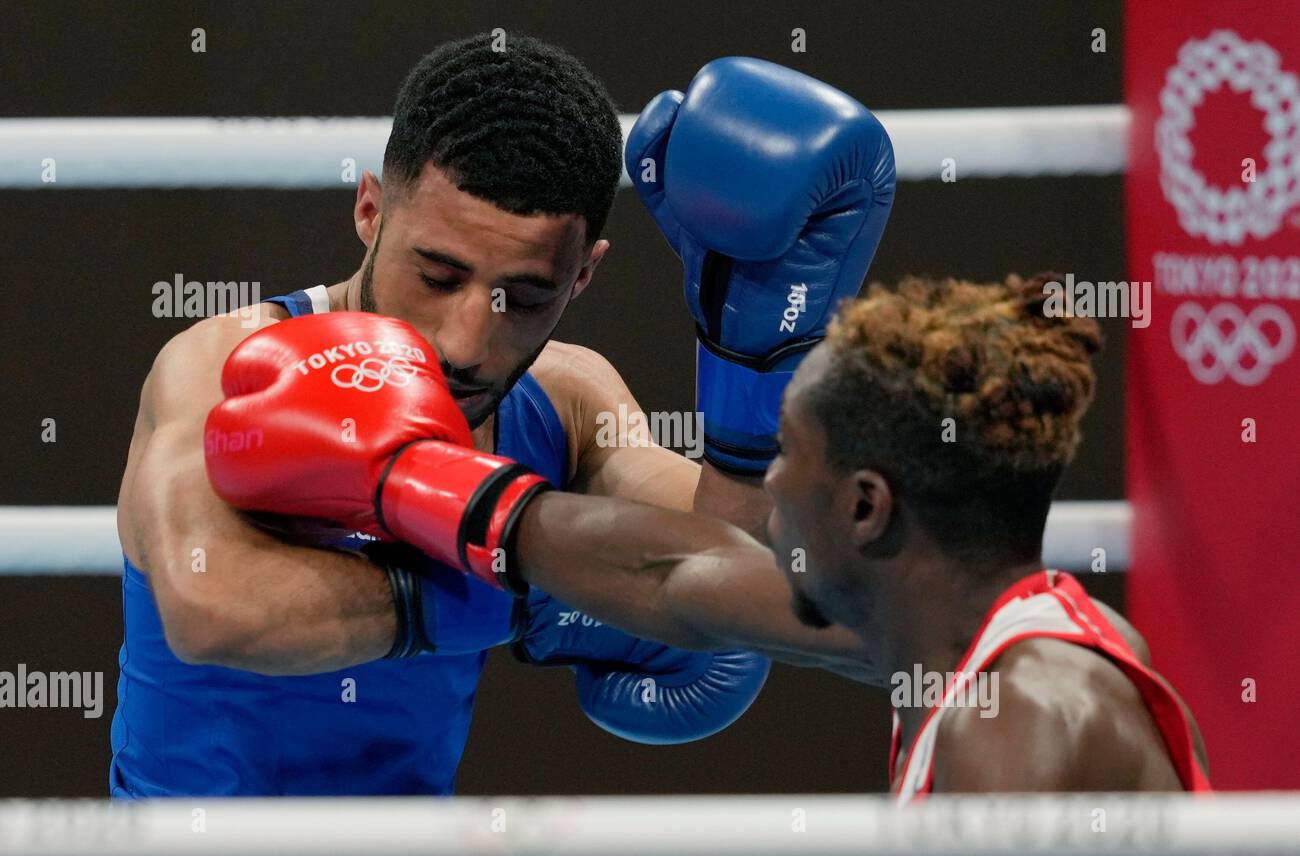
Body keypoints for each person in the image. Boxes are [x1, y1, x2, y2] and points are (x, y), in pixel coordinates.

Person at [114, 35, 895, 795]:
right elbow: (210, 607)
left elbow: (755, 569)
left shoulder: (569, 400)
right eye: (438, 274)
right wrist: (532, 583)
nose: (467, 343)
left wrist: (752, 365)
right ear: (369, 210)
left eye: (523, 298)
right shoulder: (225, 365)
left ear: (583, 275)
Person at [213, 274, 1210, 797]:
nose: (763, 485)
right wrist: (423, 489)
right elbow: (681, 571)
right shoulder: (979, 653)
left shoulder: (1020, 711)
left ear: (865, 507)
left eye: (788, 459)